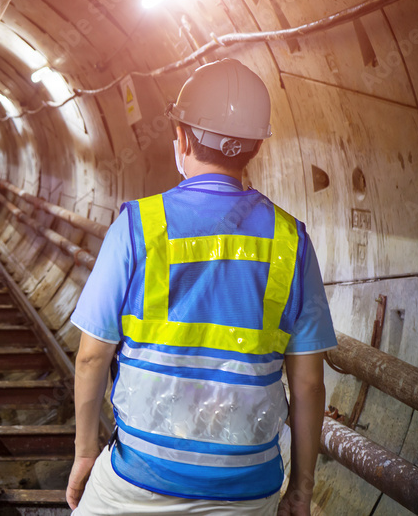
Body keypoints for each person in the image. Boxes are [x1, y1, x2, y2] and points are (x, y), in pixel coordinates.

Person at [66, 58, 337, 516]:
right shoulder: (291, 240)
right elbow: (309, 384)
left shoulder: (138, 225)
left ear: (185, 138)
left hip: (141, 477)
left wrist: (85, 454)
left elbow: (92, 356)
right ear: (256, 147)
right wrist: (300, 490)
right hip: (248, 489)